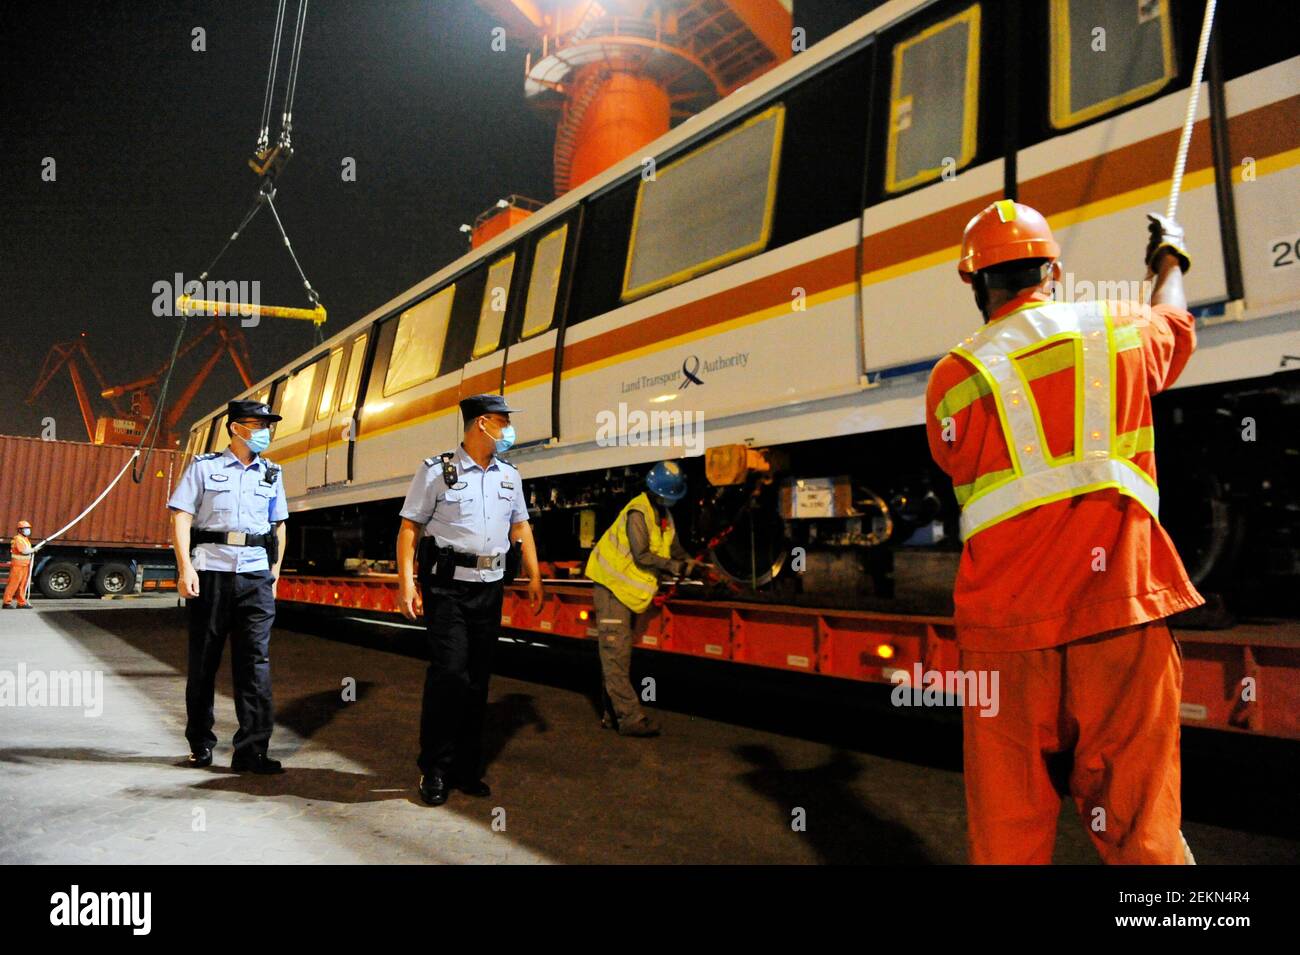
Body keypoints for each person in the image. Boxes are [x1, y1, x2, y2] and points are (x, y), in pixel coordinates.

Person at [924, 200, 1205, 864]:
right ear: (1053, 267)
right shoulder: (1122, 330)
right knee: (1145, 826)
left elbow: (954, 461)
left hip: (1006, 635)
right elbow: (1176, 321)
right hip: (1122, 613)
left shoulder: (953, 380)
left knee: (1007, 829)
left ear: (972, 281)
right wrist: (1170, 258)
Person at [396, 394, 544, 807]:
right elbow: (410, 528)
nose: (508, 429)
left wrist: (535, 576)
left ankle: (466, 768)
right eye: (503, 421)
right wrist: (407, 583)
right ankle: (435, 768)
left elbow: (521, 527)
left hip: (489, 588)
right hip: (447, 589)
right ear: (482, 424)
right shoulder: (436, 471)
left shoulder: (509, 476)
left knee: (478, 679)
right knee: (449, 675)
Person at [168, 399, 288, 774]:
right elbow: (181, 516)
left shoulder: (272, 473)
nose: (266, 431)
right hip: (212, 574)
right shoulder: (205, 468)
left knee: (256, 664)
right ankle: (200, 744)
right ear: (236, 427)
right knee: (204, 661)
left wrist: (275, 574)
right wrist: (185, 567)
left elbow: (279, 525)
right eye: (258, 424)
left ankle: (252, 750)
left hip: (254, 576)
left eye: (269, 425)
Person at [584, 461, 711, 737]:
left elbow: (674, 548)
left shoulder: (663, 515)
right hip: (610, 587)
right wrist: (676, 568)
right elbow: (642, 554)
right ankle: (629, 718)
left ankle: (611, 715)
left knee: (617, 656)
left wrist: (691, 562)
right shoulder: (638, 513)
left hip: (624, 592)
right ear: (659, 492)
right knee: (615, 655)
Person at [3, 520, 34, 609]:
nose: (28, 530)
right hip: (18, 565)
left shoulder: (25, 539)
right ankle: (6, 602)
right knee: (13, 584)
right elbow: (23, 551)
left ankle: (21, 603)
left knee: (22, 585)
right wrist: (34, 550)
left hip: (24, 565)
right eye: (26, 528)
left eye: (28, 528)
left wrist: (33, 550)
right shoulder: (18, 539)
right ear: (20, 530)